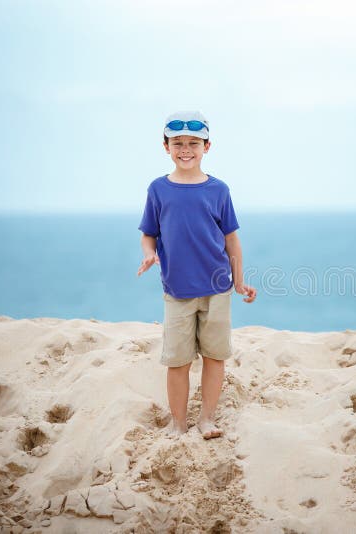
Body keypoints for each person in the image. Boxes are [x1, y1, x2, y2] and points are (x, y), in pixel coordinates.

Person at [136, 110, 257, 440]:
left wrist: (239, 279)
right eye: (178, 143)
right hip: (177, 290)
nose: (185, 149)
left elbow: (231, 239)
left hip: (217, 288)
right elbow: (149, 233)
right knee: (177, 362)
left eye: (193, 143)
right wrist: (149, 254)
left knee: (215, 357)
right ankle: (178, 422)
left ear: (207, 146)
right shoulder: (158, 190)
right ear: (166, 147)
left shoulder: (218, 190)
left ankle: (206, 418)